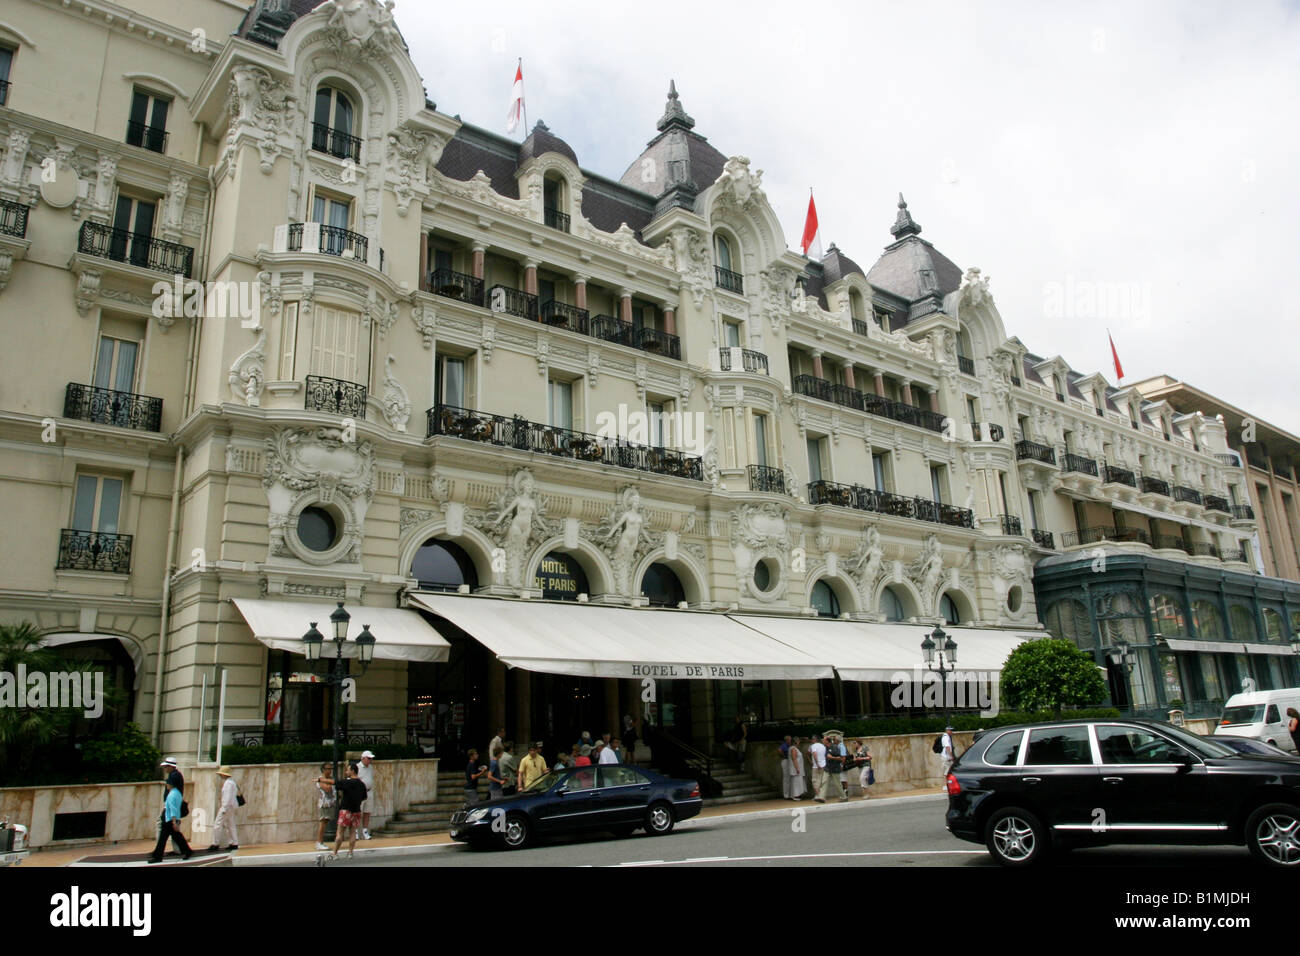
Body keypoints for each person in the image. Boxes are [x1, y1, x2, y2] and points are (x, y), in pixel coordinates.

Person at [148, 778, 191, 863]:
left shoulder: (172, 795)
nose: (166, 785)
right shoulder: (177, 793)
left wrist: (174, 822)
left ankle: (157, 856)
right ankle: (187, 851)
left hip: (169, 820)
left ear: (171, 784)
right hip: (172, 819)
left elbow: (173, 809)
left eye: (167, 783)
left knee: (163, 839)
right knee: (177, 837)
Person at [331, 761, 368, 860]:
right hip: (356, 811)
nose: (346, 772)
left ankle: (334, 853)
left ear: (352, 771)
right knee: (352, 832)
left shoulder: (347, 782)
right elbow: (364, 797)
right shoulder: (362, 784)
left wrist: (320, 780)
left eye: (347, 770)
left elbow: (336, 784)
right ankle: (350, 852)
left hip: (345, 810)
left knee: (340, 832)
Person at [153, 757, 188, 859]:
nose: (165, 769)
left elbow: (171, 792)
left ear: (171, 766)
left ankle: (159, 851)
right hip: (172, 804)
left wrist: (167, 807)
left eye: (166, 766)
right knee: (172, 830)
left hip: (171, 805)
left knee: (164, 826)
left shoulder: (174, 776)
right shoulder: (175, 775)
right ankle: (180, 850)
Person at [208, 766, 240, 851]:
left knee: (217, 824)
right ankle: (234, 843)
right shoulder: (232, 782)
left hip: (227, 807)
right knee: (230, 825)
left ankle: (215, 843)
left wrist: (224, 808)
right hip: (231, 807)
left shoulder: (228, 783)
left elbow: (227, 797)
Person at [315, 762, 335, 850]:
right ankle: (319, 842)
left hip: (330, 803)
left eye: (331, 769)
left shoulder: (330, 779)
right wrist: (330, 783)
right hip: (324, 804)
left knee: (326, 822)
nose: (330, 771)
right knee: (323, 822)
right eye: (328, 769)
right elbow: (327, 788)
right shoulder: (320, 779)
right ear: (323, 769)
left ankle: (321, 842)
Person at [357, 750, 376, 839]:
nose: (370, 760)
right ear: (363, 758)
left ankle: (365, 831)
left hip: (369, 792)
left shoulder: (371, 767)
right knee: (358, 812)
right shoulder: (357, 767)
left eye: (371, 759)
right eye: (368, 758)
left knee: (367, 812)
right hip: (360, 793)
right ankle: (356, 831)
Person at [822, 734, 846, 802]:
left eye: (824, 740)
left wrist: (832, 757)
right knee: (824, 782)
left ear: (827, 741)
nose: (822, 741)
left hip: (835, 768)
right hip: (827, 768)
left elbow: (840, 758)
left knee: (837, 784)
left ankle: (843, 796)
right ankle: (822, 797)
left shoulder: (835, 747)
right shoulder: (825, 747)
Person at [809, 733, 827, 803]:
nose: (811, 740)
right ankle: (821, 796)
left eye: (812, 739)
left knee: (815, 781)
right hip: (823, 765)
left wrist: (817, 763)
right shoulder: (823, 746)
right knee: (821, 781)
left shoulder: (813, 746)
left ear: (814, 739)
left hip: (816, 766)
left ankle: (819, 796)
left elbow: (815, 754)